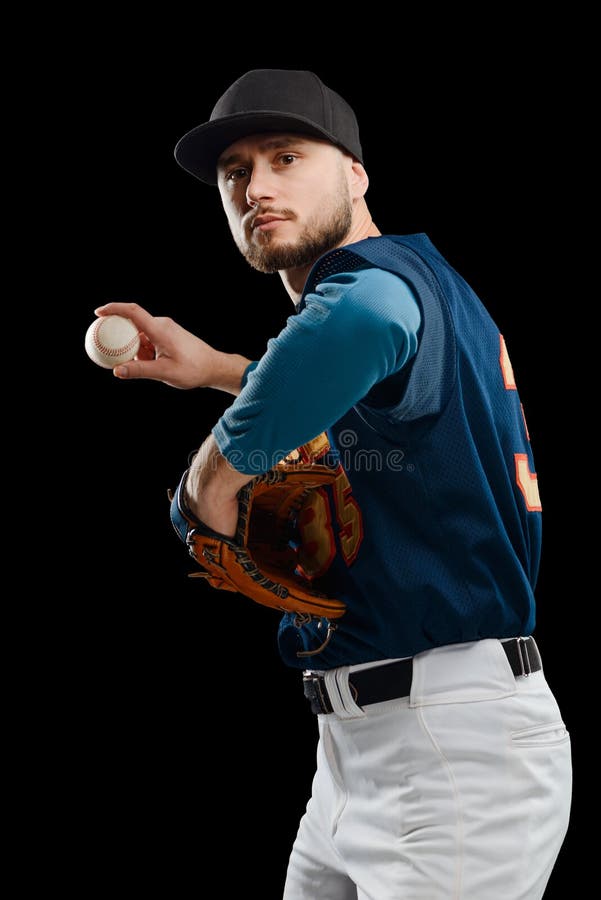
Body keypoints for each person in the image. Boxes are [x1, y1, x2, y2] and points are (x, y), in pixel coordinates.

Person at [96, 69, 571, 899]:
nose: (257, 187)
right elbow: (372, 404)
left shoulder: (376, 283)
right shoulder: (428, 284)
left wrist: (206, 486)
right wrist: (220, 370)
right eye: (234, 173)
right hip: (358, 755)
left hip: (452, 751)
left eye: (286, 156)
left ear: (354, 172)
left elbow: (363, 322)